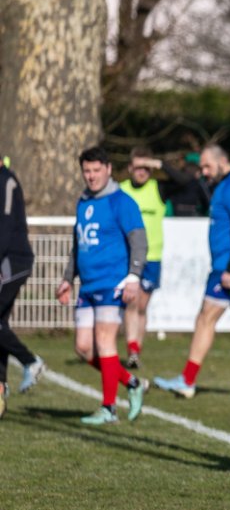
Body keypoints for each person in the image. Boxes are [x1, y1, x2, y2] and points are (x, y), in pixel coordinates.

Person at [154, 144, 230, 398]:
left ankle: (187, 380)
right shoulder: (224, 185)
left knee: (205, 318)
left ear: (222, 161)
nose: (203, 172)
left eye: (207, 166)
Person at [56, 147, 150, 425]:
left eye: (96, 170)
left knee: (104, 341)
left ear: (108, 169)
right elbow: (78, 245)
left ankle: (109, 408)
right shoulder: (83, 201)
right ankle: (131, 383)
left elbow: (139, 241)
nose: (91, 176)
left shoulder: (122, 202)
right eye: (87, 171)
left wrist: (133, 277)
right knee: (83, 347)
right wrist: (67, 278)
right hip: (87, 286)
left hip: (113, 284)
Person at [0, 160, 44, 416]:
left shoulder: (6, 180)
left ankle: (31, 361)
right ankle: (1, 388)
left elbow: (4, 228)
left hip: (13, 261)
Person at [119, 148, 169, 369]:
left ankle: (135, 350)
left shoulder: (157, 188)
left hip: (153, 257)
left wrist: (159, 163)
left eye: (146, 168)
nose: (142, 172)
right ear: (130, 168)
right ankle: (132, 349)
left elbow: (187, 182)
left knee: (141, 306)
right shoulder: (120, 190)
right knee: (131, 301)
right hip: (128, 256)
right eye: (138, 167)